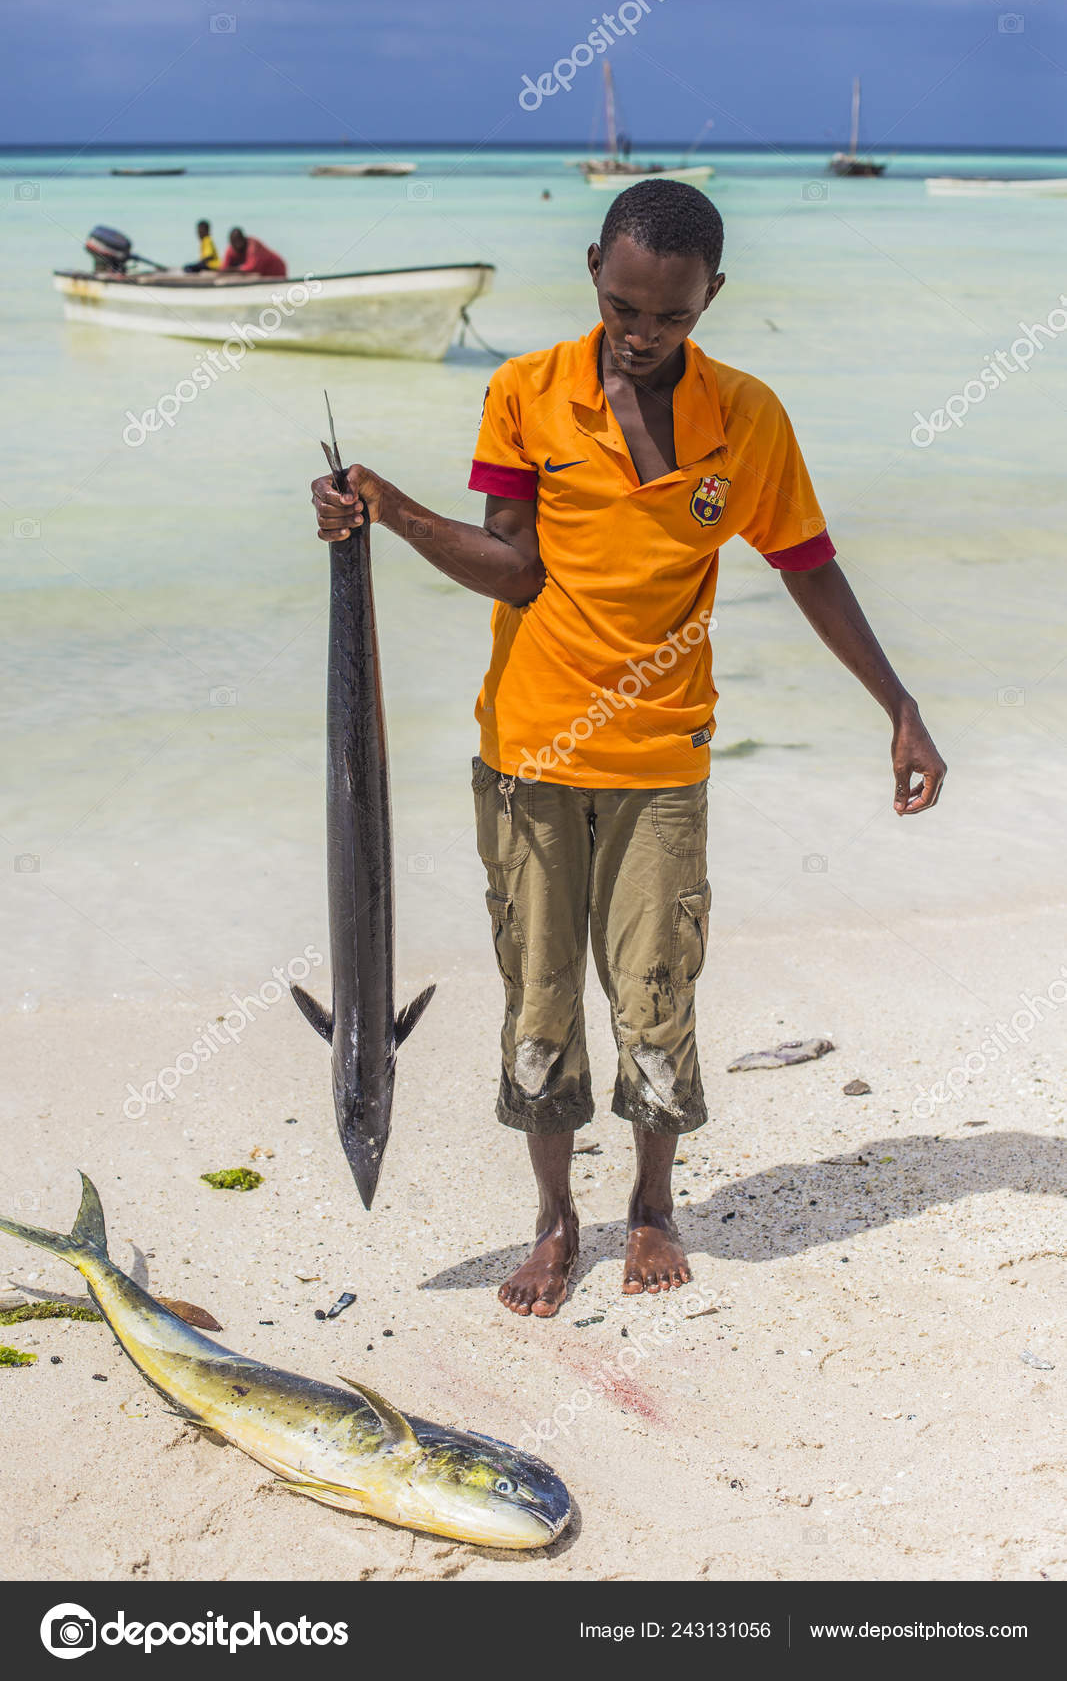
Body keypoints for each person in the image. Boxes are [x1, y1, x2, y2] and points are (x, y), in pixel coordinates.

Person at [310, 180, 947, 1320]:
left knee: (655, 995)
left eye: (671, 317)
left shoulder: (744, 418)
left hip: (661, 760)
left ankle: (651, 1205)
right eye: (621, 307)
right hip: (529, 758)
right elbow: (515, 565)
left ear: (711, 297)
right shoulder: (524, 392)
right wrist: (392, 515)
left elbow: (806, 566)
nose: (643, 335)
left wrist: (895, 703)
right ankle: (555, 1220)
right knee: (537, 1001)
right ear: (591, 268)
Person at [219, 226, 287, 277]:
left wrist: (233, 270)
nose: (236, 245)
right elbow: (224, 268)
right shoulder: (231, 249)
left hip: (276, 271)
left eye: (238, 242)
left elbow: (251, 267)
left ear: (243, 239)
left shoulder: (252, 246)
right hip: (262, 275)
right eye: (233, 243)